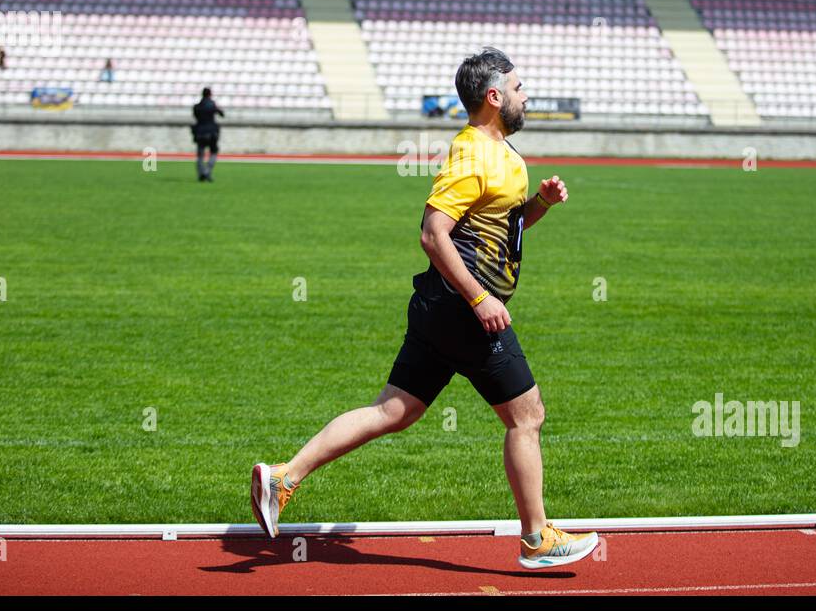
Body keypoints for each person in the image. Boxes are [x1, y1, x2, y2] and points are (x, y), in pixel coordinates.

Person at [251, 48, 598, 569]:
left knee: (395, 410)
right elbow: (433, 234)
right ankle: (536, 538)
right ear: (495, 96)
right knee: (527, 416)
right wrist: (480, 299)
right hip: (464, 306)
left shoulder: (507, 157)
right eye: (520, 88)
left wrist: (539, 204)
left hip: (442, 305)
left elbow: (502, 231)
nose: (528, 96)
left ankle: (283, 477)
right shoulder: (472, 153)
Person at [192, 87, 224, 182]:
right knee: (213, 152)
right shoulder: (212, 105)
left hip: (200, 132)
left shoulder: (197, 106)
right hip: (211, 133)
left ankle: (201, 173)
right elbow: (222, 114)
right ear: (210, 94)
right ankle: (207, 171)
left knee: (200, 155)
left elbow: (196, 116)